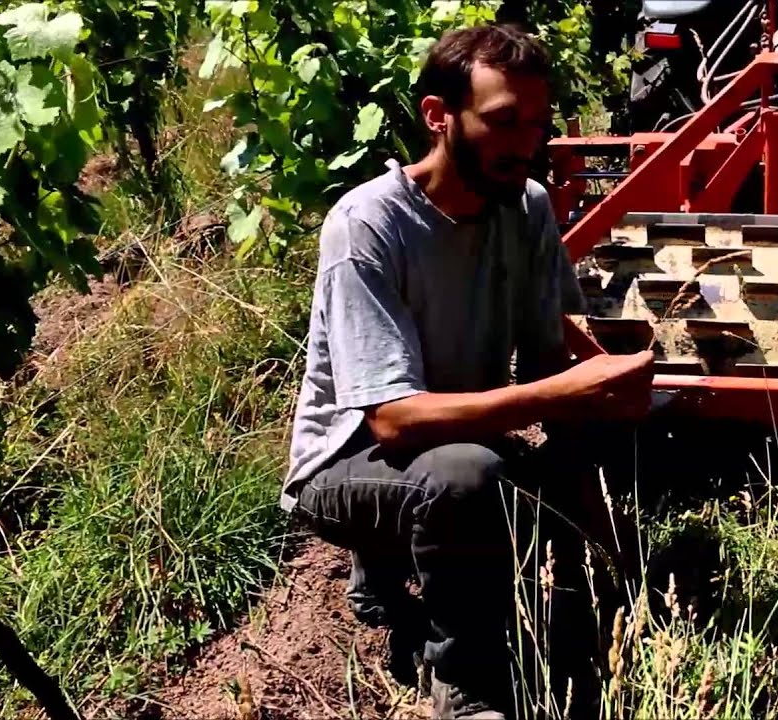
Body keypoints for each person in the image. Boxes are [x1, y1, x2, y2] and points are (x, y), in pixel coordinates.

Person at [278, 22, 655, 720]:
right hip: (346, 463)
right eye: (504, 122)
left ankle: (568, 611)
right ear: (438, 117)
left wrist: (612, 547)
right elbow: (390, 422)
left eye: (538, 124)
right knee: (467, 478)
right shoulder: (368, 226)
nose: (527, 144)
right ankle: (465, 686)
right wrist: (556, 393)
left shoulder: (528, 207)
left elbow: (549, 365)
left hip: (451, 433)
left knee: (575, 430)